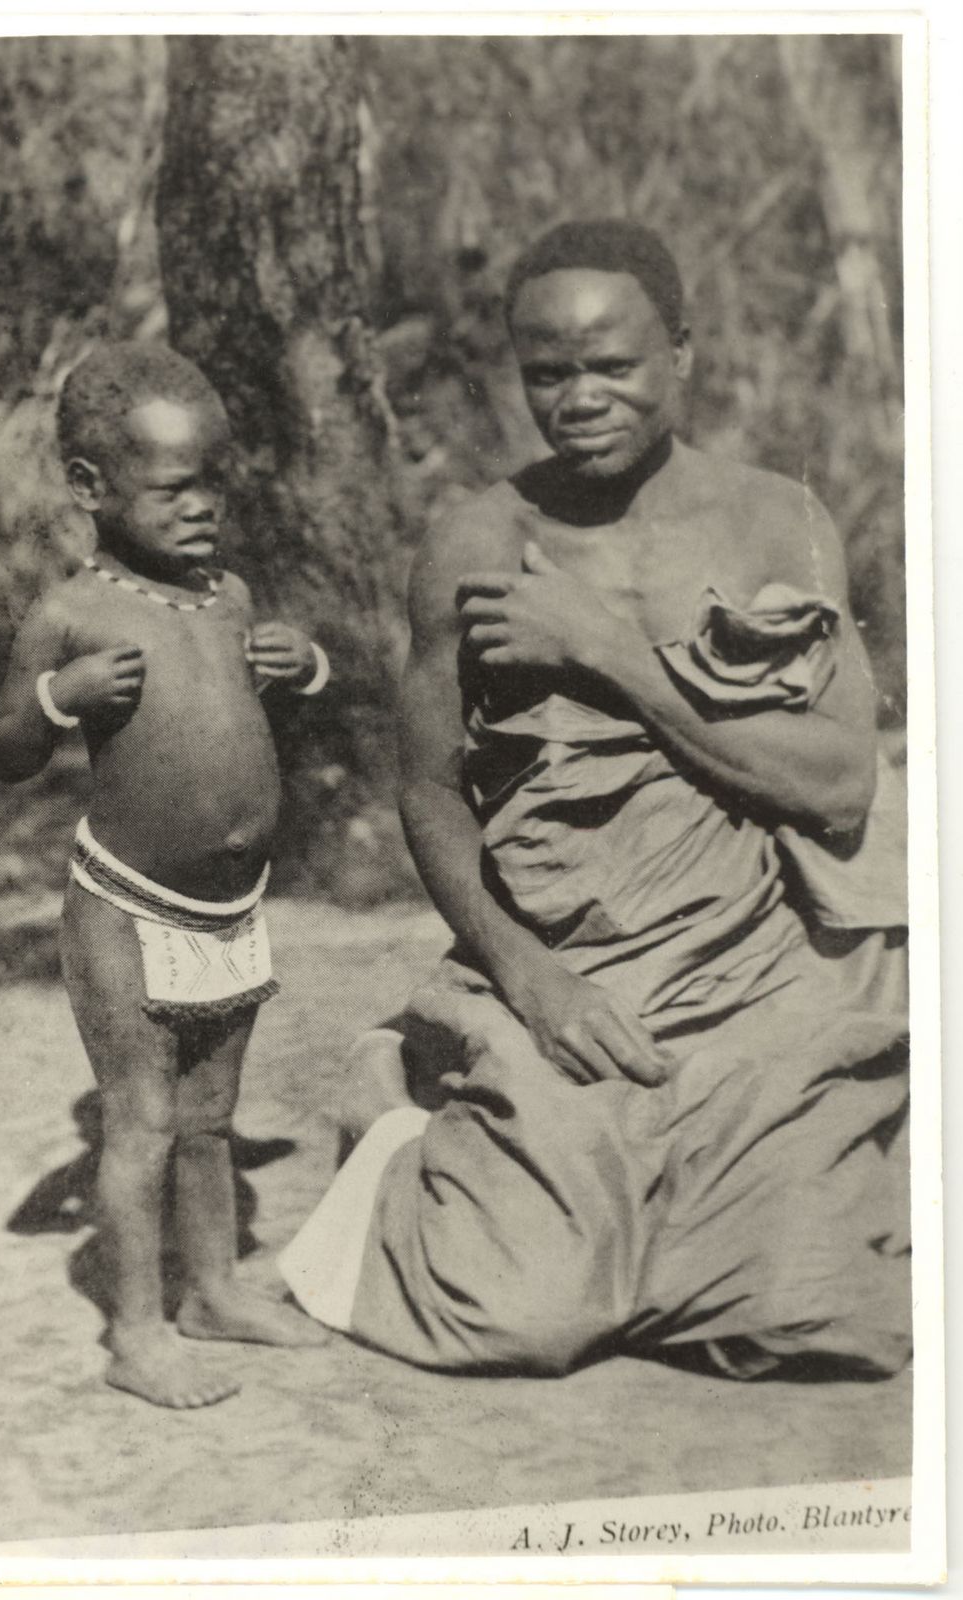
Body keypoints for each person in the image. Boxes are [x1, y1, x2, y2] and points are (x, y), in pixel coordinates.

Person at [279, 220, 910, 1380]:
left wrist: (618, 654)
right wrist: (531, 977)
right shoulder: (474, 539)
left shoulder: (780, 520)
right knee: (515, 1317)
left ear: (681, 353)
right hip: (566, 963)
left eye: (612, 366)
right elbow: (427, 793)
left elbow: (837, 781)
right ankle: (397, 1124)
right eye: (548, 373)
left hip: (752, 969)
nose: (580, 398)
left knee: (817, 1313)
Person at [0, 341, 328, 1408]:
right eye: (174, 489)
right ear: (91, 488)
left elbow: (266, 712)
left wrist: (300, 666)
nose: (204, 508)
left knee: (212, 1117)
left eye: (214, 483)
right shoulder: (71, 614)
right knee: (140, 1122)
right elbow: (1, 750)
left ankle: (213, 1289)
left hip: (229, 910)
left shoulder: (228, 598)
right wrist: (61, 694)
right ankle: (137, 1331)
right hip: (125, 911)